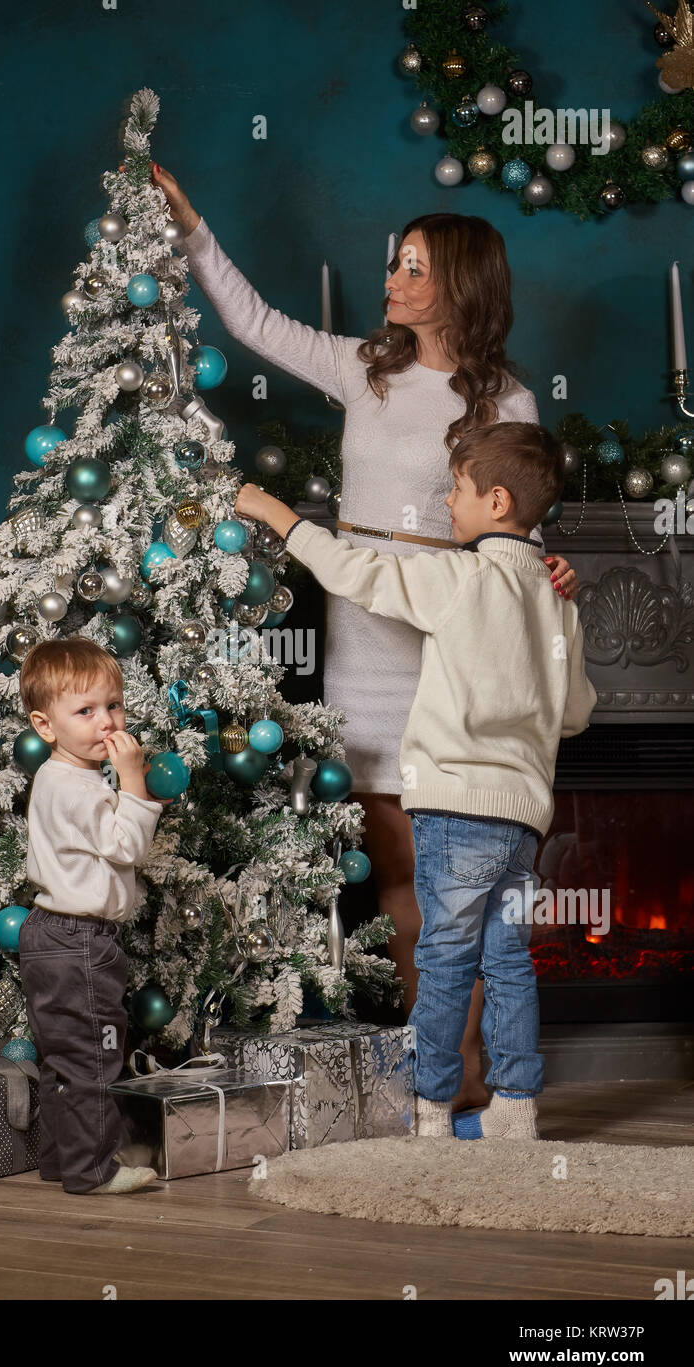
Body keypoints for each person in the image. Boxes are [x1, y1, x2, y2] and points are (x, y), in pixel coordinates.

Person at [149, 162, 578, 1112]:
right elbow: (252, 323)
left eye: (415, 268)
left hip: (455, 644)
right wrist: (192, 228)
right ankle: (443, 1071)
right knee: (399, 871)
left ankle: (464, 1071)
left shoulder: (506, 399)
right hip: (365, 638)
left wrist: (546, 570)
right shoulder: (363, 368)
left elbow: (518, 516)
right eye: (395, 264)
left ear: (461, 282)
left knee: (461, 876)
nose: (394, 280)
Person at [234, 419, 597, 1140]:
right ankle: (515, 1111)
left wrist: (276, 514)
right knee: (510, 964)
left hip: (455, 811)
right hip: (523, 818)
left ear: (496, 502)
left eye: (456, 492)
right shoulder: (559, 603)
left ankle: (431, 1114)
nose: (446, 507)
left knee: (444, 965)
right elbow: (576, 713)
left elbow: (354, 574)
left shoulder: (459, 578)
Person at [18, 636, 172, 1193]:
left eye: (114, 706)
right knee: (96, 1056)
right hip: (78, 941)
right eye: (85, 711)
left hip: (53, 937)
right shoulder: (73, 787)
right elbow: (126, 847)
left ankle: (64, 1160)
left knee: (65, 1059)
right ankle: (94, 1171)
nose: (105, 722)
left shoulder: (66, 778)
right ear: (45, 726)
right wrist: (134, 782)